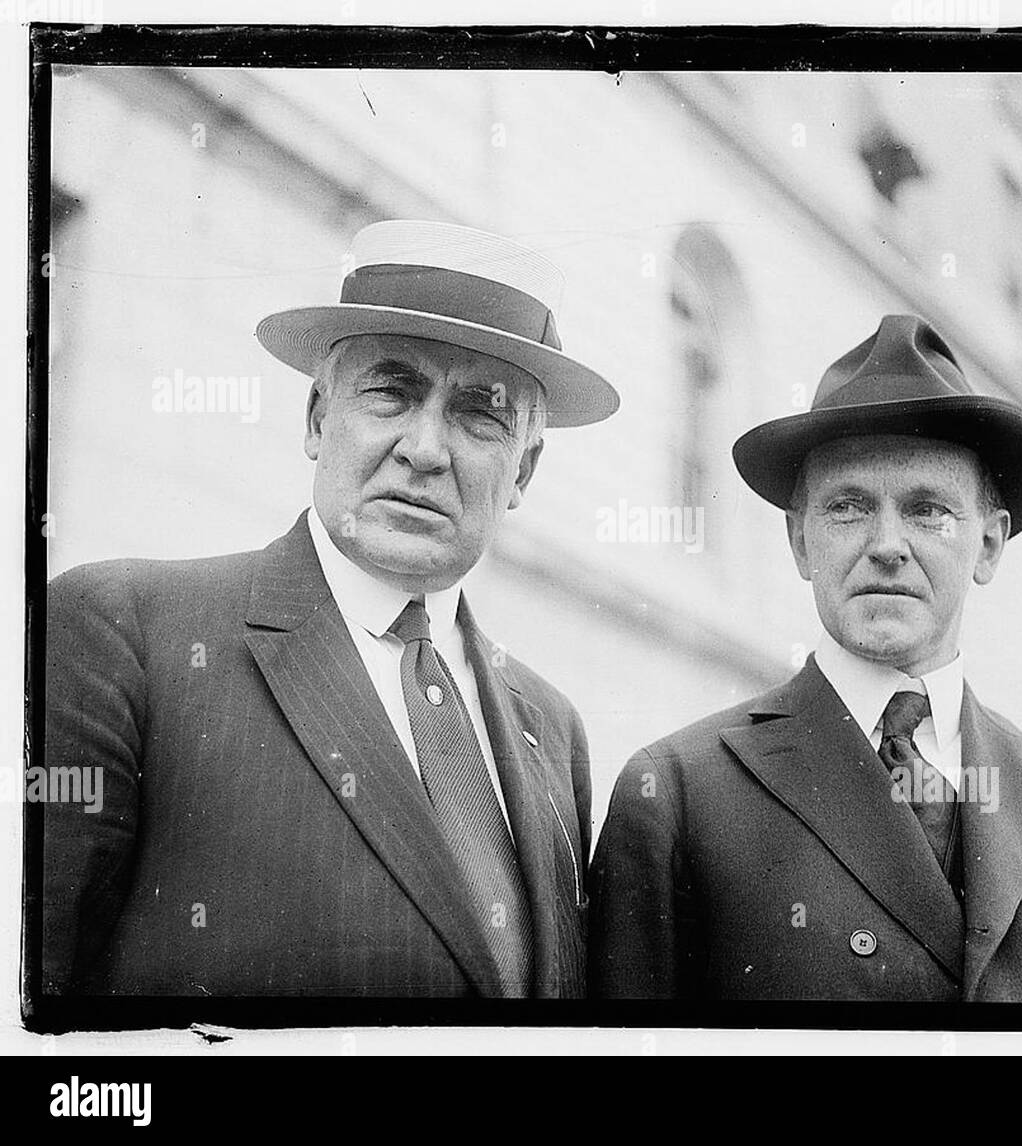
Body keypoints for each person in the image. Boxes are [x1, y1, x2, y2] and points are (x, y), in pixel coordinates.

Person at [41, 220, 618, 1000]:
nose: (425, 449)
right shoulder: (121, 632)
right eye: (391, 392)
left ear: (525, 470)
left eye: (481, 413)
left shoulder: (552, 728)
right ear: (317, 417)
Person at [589, 314, 1022, 1004]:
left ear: (989, 546)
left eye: (929, 510)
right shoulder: (680, 798)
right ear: (800, 542)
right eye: (848, 507)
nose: (888, 544)